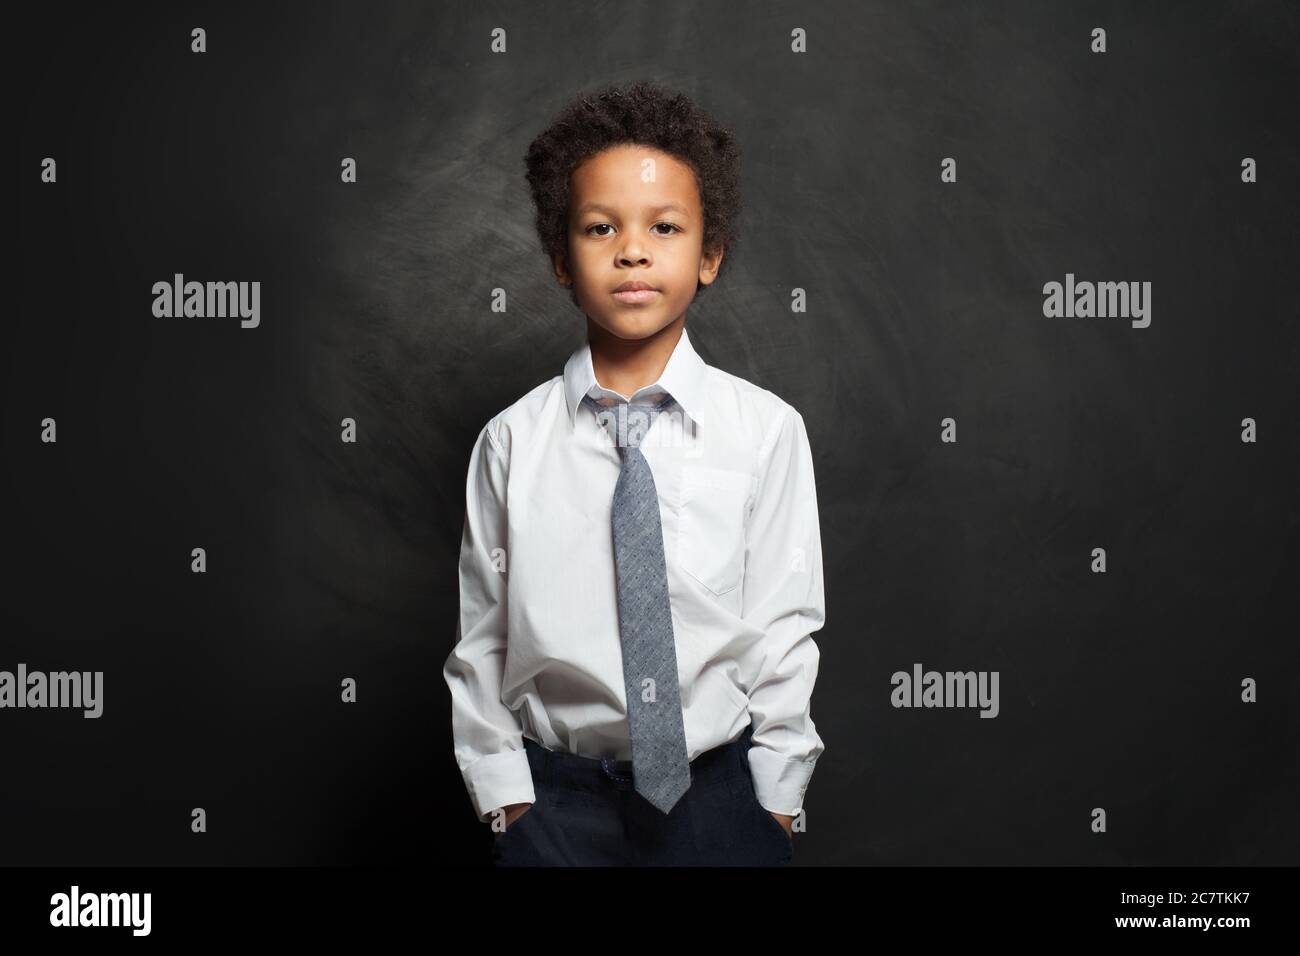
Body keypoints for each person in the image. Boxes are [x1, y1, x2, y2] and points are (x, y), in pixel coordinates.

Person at [443, 80, 826, 865]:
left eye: (665, 226)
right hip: (554, 803)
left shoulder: (766, 432)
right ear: (560, 257)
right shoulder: (511, 442)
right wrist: (509, 802)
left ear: (709, 253)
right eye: (598, 227)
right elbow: (482, 638)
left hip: (717, 797)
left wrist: (776, 802)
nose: (633, 249)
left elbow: (786, 629)